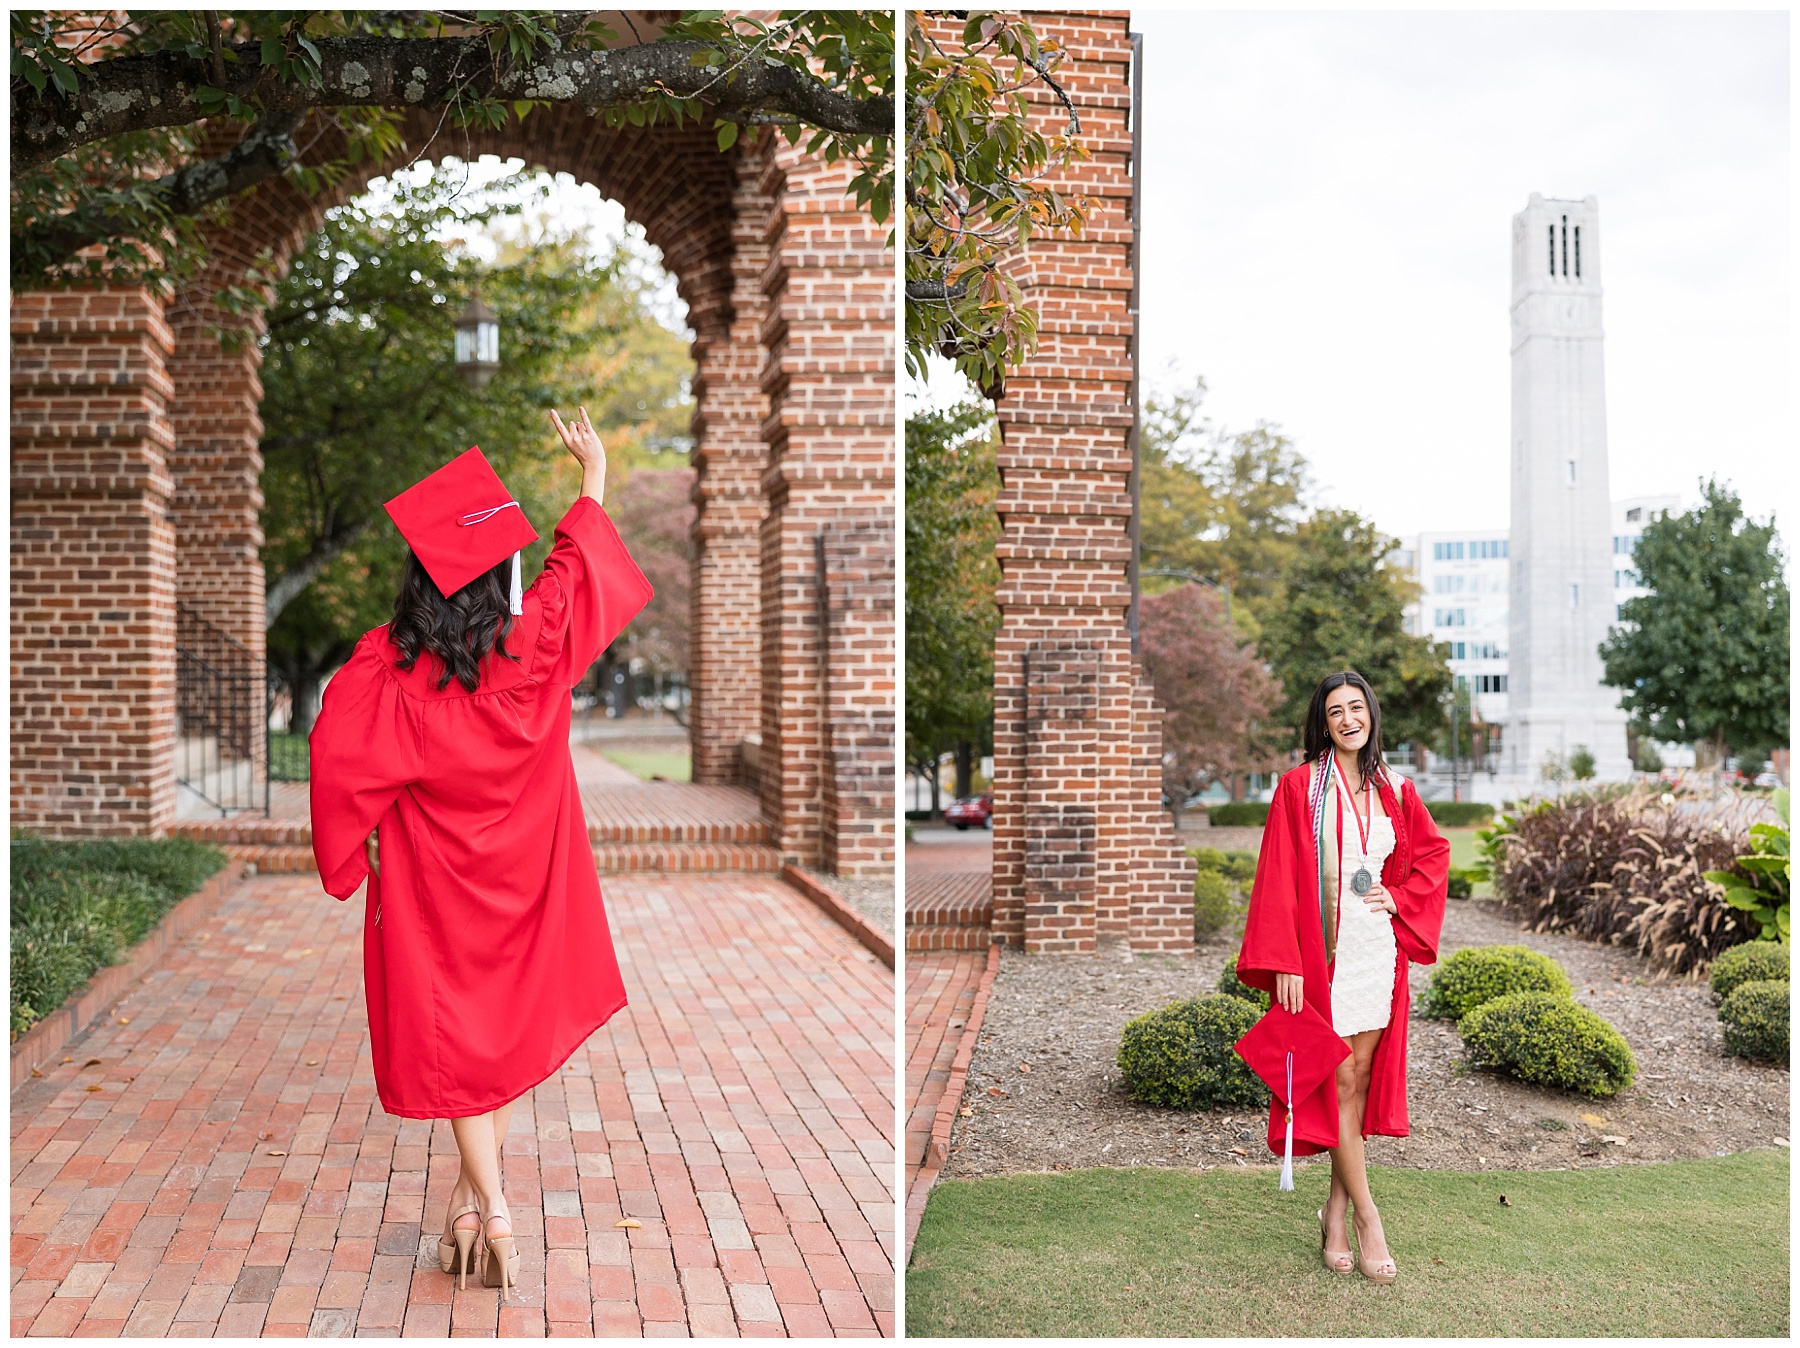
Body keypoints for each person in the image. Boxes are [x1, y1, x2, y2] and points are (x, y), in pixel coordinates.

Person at [308, 408, 651, 1302]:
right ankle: (472, 1208)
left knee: (463, 1038)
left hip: (435, 884)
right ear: (500, 575)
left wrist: (362, 833)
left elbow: (335, 752)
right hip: (524, 873)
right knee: (495, 1035)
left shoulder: (388, 670)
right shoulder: (533, 645)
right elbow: (576, 572)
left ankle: (488, 1208)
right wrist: (592, 476)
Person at [1235, 670, 1449, 1283]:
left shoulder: (1395, 788)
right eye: (1336, 711)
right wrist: (1285, 962)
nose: (1348, 719)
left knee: (1358, 1080)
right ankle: (1366, 1217)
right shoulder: (1300, 788)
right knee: (1339, 1079)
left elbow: (1432, 855)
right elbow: (1277, 874)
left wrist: (1398, 897)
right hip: (1322, 954)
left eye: (1357, 707)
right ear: (1323, 724)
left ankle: (1333, 1211)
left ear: (1371, 715)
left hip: (1375, 952)